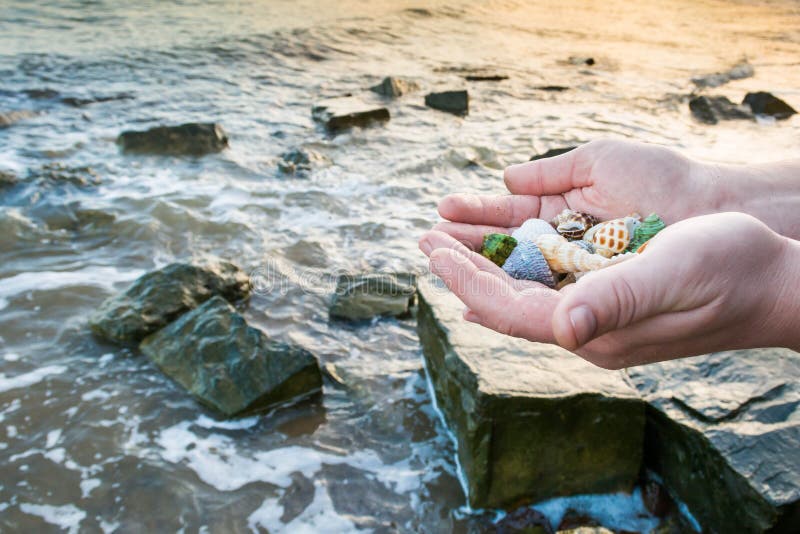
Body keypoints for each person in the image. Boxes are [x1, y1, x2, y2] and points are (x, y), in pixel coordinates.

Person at [418, 139, 800, 369]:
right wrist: (722, 195)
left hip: (575, 248)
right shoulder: (569, 245)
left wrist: (778, 290)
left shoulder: (580, 246)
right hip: (570, 247)